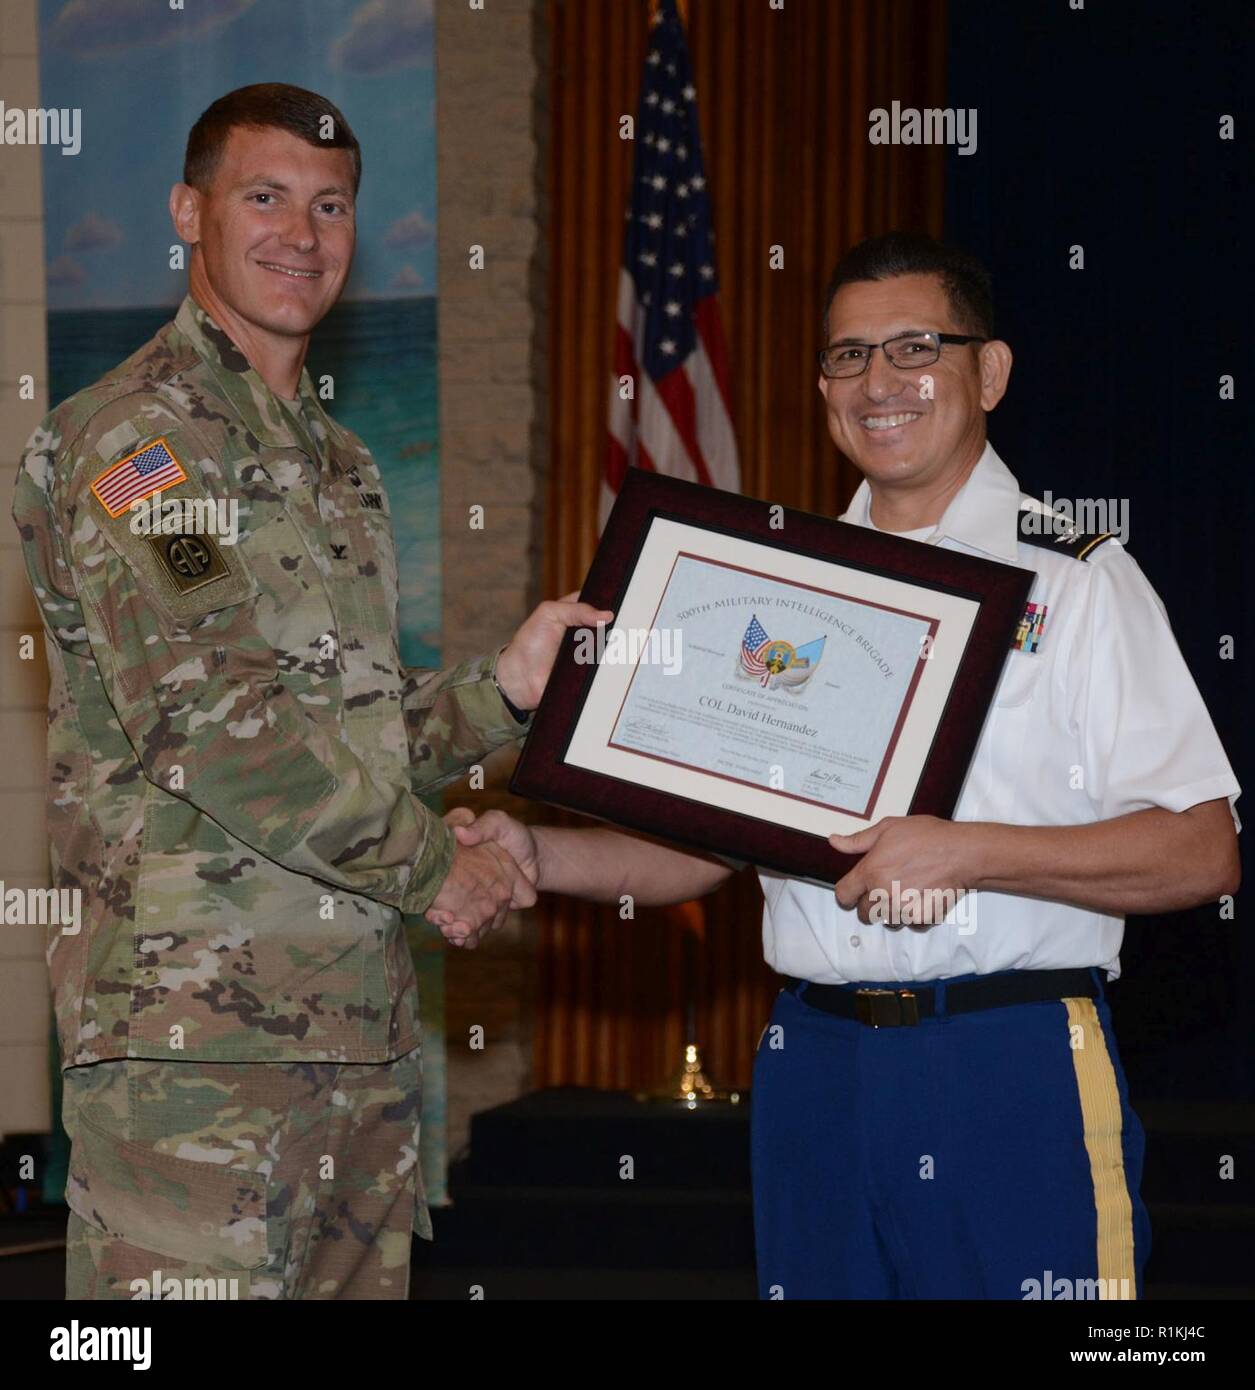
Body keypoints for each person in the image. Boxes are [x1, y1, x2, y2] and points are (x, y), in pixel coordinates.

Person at [444, 232, 1241, 1300]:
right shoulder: (795, 588)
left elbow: (1202, 849)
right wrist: (535, 852)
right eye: (847, 356)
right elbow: (712, 848)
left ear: (989, 371)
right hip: (813, 1062)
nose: (879, 382)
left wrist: (962, 854)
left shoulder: (1077, 581)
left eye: (915, 347)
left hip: (1003, 1059)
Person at [11, 82, 609, 1301]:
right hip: (197, 1057)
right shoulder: (138, 443)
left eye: (330, 204)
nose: (303, 232)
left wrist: (504, 691)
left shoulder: (338, 462)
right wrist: (442, 873)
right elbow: (218, 735)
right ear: (190, 211)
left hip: (360, 1039)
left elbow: (343, 738)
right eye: (266, 196)